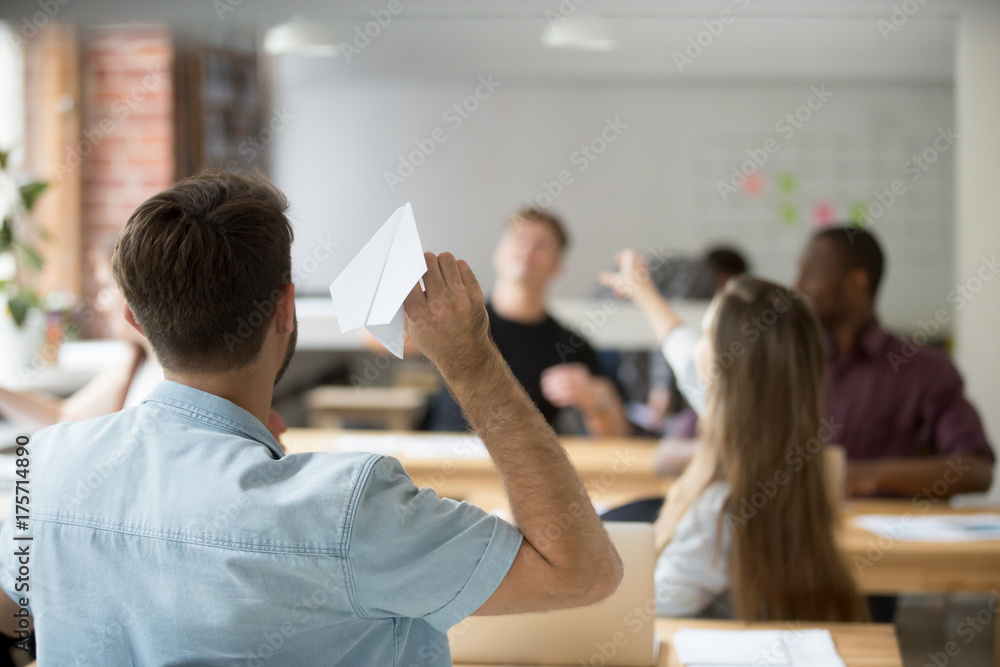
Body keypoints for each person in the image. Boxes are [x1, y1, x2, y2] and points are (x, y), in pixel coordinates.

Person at [0, 171, 622, 663]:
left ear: (137, 321)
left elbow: (15, 614)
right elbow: (582, 573)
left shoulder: (41, 469)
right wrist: (473, 364)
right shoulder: (349, 511)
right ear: (286, 310)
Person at [600, 250, 866, 621]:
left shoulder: (717, 511)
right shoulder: (779, 429)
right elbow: (680, 348)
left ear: (720, 364)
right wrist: (642, 289)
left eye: (706, 333)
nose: (697, 344)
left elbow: (644, 617)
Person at [0, 246, 288, 440]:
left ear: (132, 294)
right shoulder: (133, 359)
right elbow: (69, 418)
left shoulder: (191, 367)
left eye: (105, 288)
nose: (99, 304)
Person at [794, 226, 994, 498]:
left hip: (890, 537)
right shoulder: (793, 366)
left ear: (856, 284)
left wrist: (866, 475)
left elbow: (976, 469)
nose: (797, 286)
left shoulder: (926, 371)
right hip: (802, 536)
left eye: (812, 274)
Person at [428, 207, 628, 437]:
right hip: (445, 459)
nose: (528, 250)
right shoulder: (457, 322)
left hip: (524, 469)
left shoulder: (571, 344)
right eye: (520, 239)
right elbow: (382, 339)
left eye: (541, 244)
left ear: (557, 265)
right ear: (498, 252)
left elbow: (616, 435)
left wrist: (595, 402)